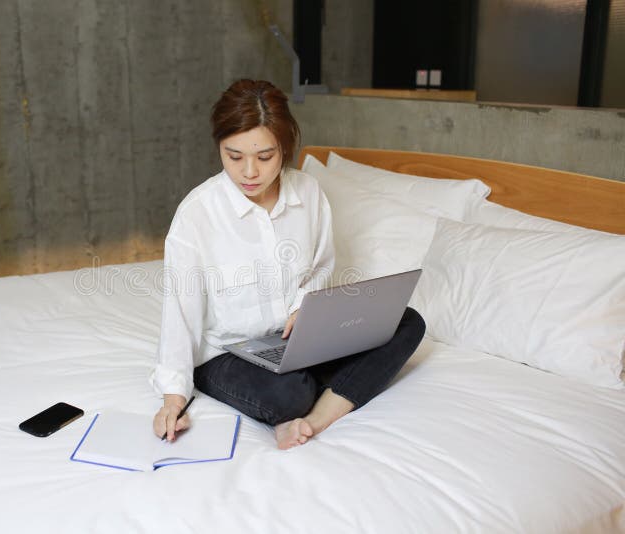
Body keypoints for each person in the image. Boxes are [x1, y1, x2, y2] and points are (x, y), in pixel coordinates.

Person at [150, 79, 425, 450]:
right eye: (234, 156)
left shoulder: (308, 193)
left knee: (406, 322)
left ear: (285, 148)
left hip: (295, 342)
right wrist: (173, 398)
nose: (249, 172)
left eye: (265, 157)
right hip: (227, 353)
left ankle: (316, 418)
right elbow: (180, 311)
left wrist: (303, 309)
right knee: (289, 395)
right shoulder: (197, 214)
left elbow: (321, 267)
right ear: (219, 147)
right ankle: (317, 398)